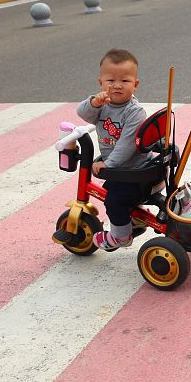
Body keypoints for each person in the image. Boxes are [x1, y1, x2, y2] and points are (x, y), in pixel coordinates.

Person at [75, 48, 150, 252]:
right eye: (110, 81)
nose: (117, 85)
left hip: (134, 171)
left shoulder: (134, 112)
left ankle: (120, 237)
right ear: (101, 83)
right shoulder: (103, 106)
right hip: (124, 170)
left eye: (125, 81)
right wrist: (93, 102)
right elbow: (82, 113)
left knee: (114, 200)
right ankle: (134, 220)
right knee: (110, 188)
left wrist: (108, 164)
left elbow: (126, 145)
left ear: (135, 85)